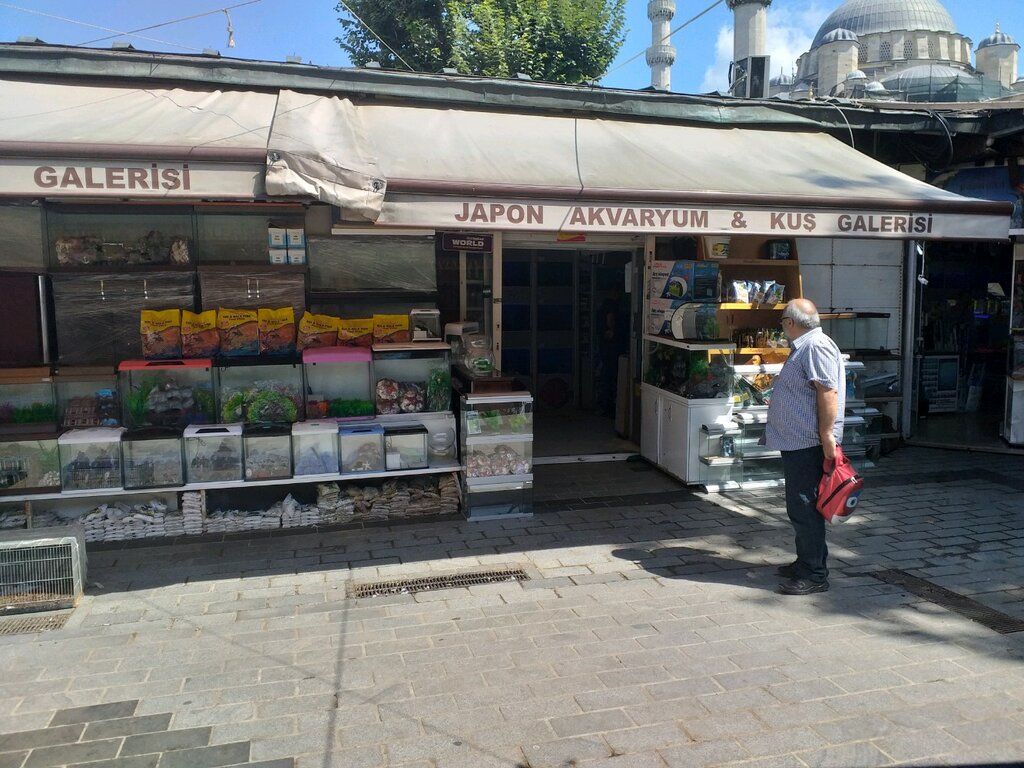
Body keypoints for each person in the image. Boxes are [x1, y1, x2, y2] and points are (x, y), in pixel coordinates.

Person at [766, 298, 845, 595]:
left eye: (782, 323)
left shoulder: (815, 347)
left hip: (808, 442)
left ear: (789, 323)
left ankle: (814, 574)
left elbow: (828, 393)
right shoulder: (807, 345)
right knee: (800, 507)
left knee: (805, 507)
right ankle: (806, 561)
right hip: (798, 441)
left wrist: (827, 436)